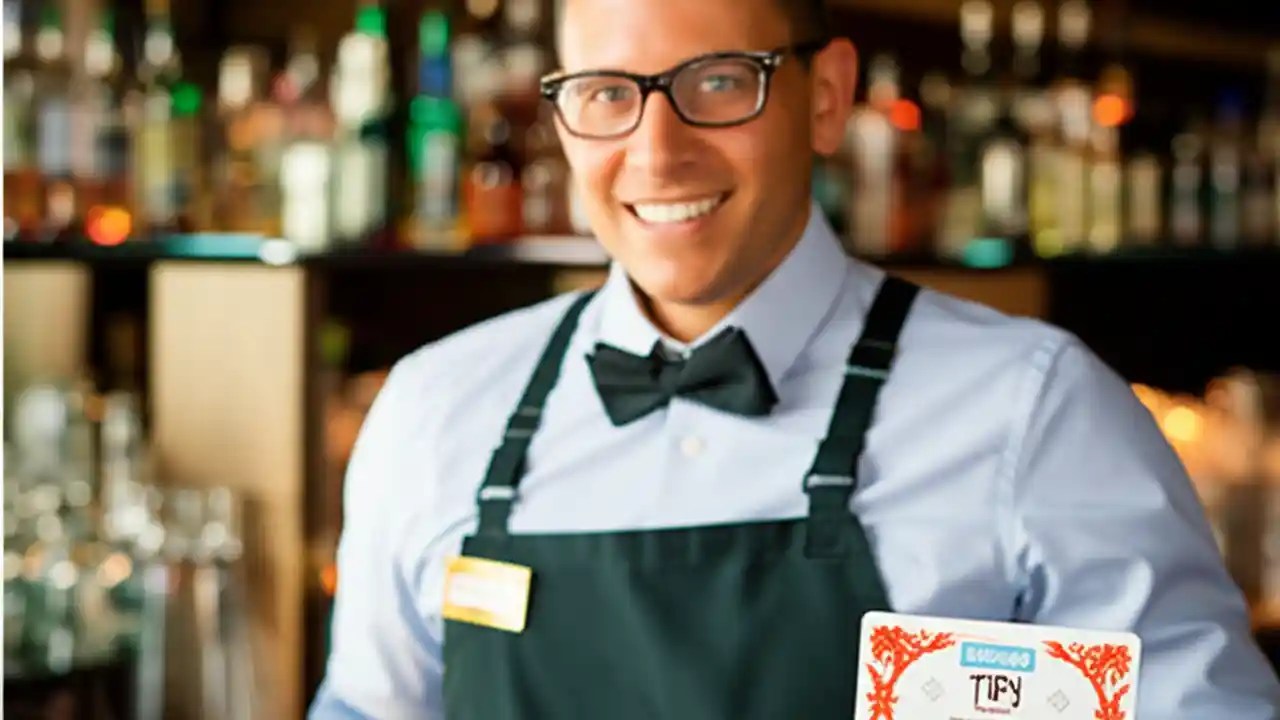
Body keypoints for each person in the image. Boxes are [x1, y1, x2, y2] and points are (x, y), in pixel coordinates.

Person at [309, 0, 1280, 716]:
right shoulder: (435, 411)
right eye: (605, 93)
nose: (656, 152)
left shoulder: (1034, 412)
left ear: (825, 98)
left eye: (718, 81)